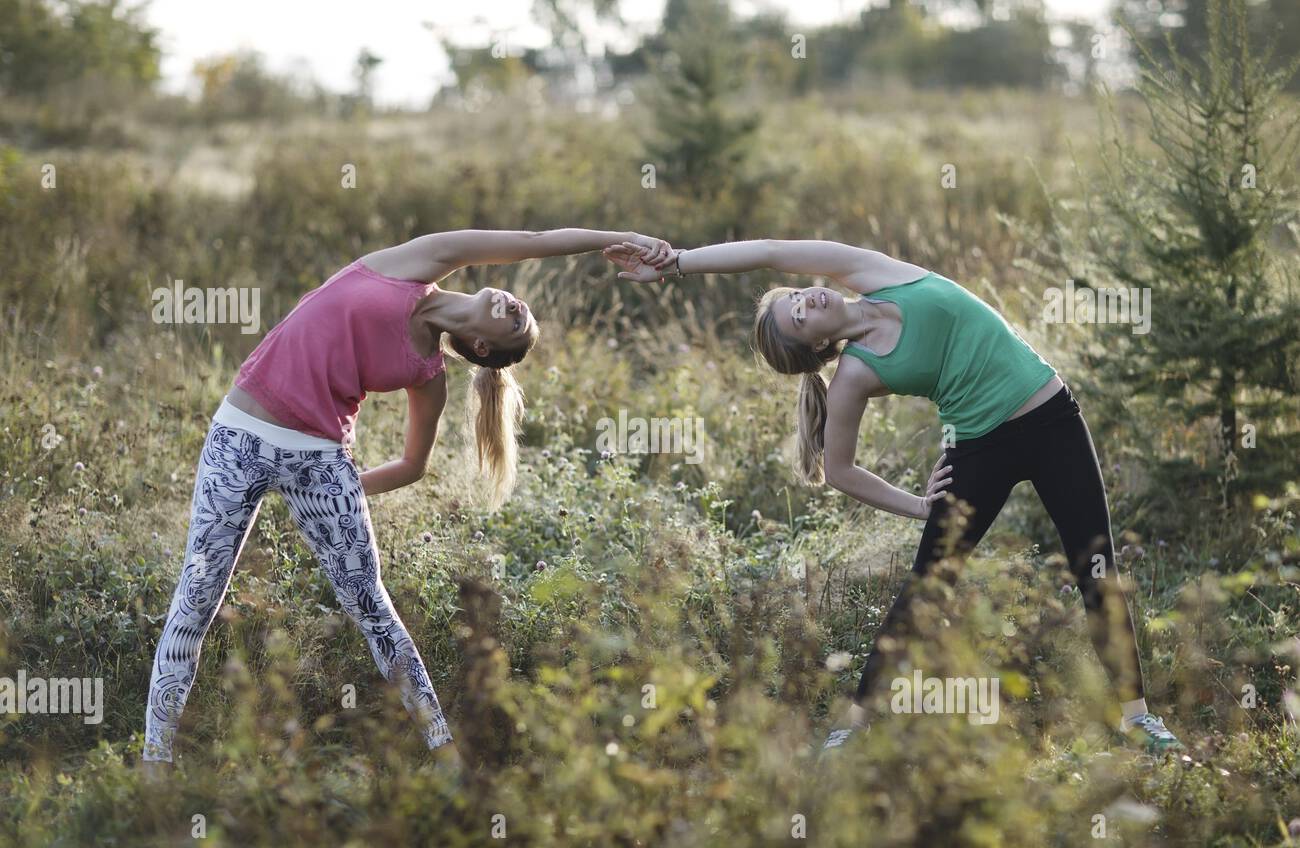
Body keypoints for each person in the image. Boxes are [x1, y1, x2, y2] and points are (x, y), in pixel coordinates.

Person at [605, 237, 1182, 754]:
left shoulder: (874, 271)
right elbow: (839, 469)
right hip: (979, 448)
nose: (806, 304)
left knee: (1096, 566)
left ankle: (1137, 718)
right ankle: (853, 727)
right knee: (926, 589)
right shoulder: (856, 373)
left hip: (1053, 418)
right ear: (819, 344)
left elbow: (770, 252)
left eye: (796, 300)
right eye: (799, 319)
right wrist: (920, 506)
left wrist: (677, 263)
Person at [142, 228, 673, 770]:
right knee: (196, 601)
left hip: (320, 458)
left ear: (484, 348)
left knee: (371, 608)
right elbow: (531, 240)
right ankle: (154, 766)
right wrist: (618, 238)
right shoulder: (420, 265)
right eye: (521, 307)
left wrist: (338, 492)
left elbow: (412, 466)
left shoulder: (428, 375)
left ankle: (445, 757)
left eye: (516, 321)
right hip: (240, 433)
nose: (516, 304)